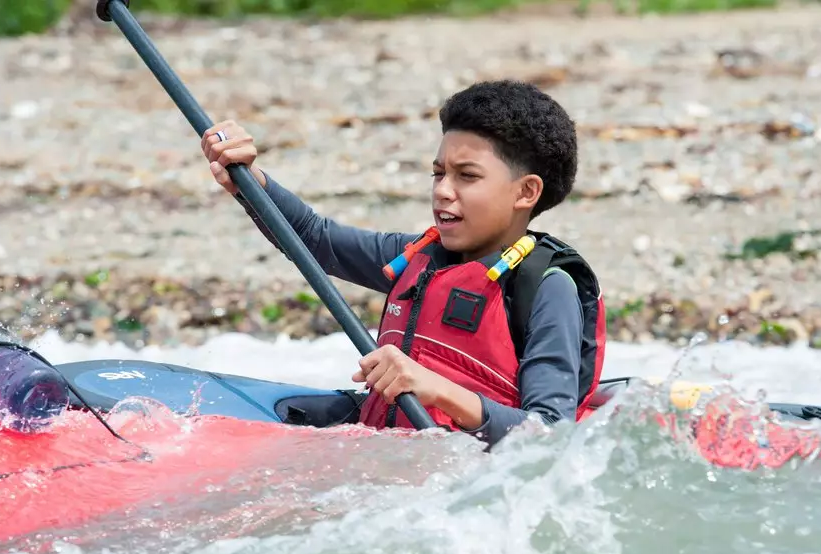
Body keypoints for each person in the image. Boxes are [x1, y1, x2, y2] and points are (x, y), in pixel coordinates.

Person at [200, 79, 606, 447]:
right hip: (393, 459)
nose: (443, 191)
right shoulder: (416, 256)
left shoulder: (547, 288)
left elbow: (549, 434)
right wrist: (249, 178)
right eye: (438, 173)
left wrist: (439, 390)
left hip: (467, 479)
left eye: (467, 176)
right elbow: (313, 238)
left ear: (526, 192)